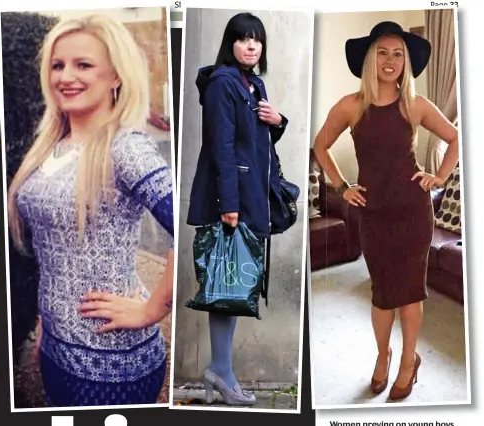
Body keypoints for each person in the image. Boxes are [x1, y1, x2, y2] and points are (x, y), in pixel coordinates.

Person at [7, 14, 174, 407]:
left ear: (116, 76)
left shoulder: (125, 148)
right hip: (55, 347)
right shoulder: (50, 145)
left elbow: (201, 228)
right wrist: (48, 323)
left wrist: (153, 308)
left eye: (83, 64)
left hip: (113, 363)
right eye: (58, 64)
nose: (66, 76)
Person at [313, 21, 459, 400]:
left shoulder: (415, 104)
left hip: (413, 213)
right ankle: (384, 356)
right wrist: (343, 187)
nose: (390, 60)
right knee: (381, 295)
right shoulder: (351, 105)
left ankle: (409, 361)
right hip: (374, 215)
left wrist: (440, 175)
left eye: (398, 53)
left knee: (411, 294)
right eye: (383, 52)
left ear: (406, 61)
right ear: (370, 58)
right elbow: (320, 147)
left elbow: (457, 137)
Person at [186, 12, 290, 406]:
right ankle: (222, 372)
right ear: (230, 43)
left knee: (233, 287)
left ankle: (220, 370)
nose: (252, 46)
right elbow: (222, 147)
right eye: (244, 39)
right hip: (229, 201)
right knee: (224, 285)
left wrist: (278, 121)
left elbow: (256, 140)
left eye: (257, 40)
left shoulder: (253, 83)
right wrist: (229, 204)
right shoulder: (223, 84)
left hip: (248, 198)